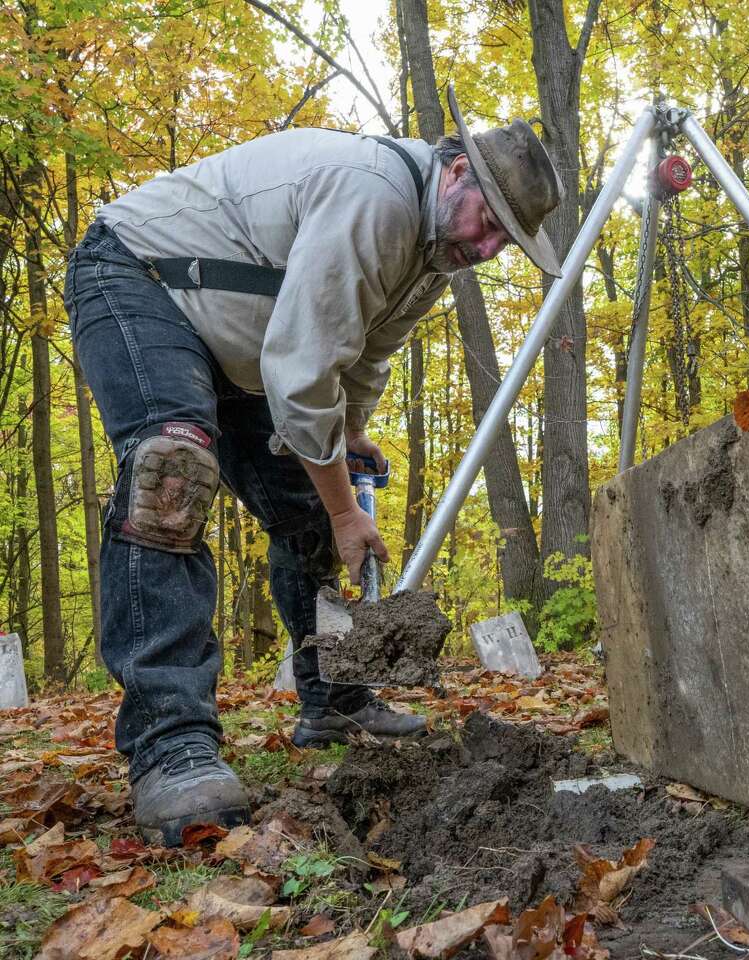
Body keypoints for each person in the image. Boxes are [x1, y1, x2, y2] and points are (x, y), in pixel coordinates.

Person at [65, 86, 563, 846]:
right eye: (490, 223)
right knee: (173, 472)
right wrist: (345, 504)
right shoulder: (378, 198)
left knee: (305, 512)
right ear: (456, 171)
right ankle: (172, 747)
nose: (489, 248)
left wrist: (349, 436)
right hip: (139, 279)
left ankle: (330, 693)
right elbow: (301, 376)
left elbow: (364, 356)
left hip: (242, 348)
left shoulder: (433, 252)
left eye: (507, 241)